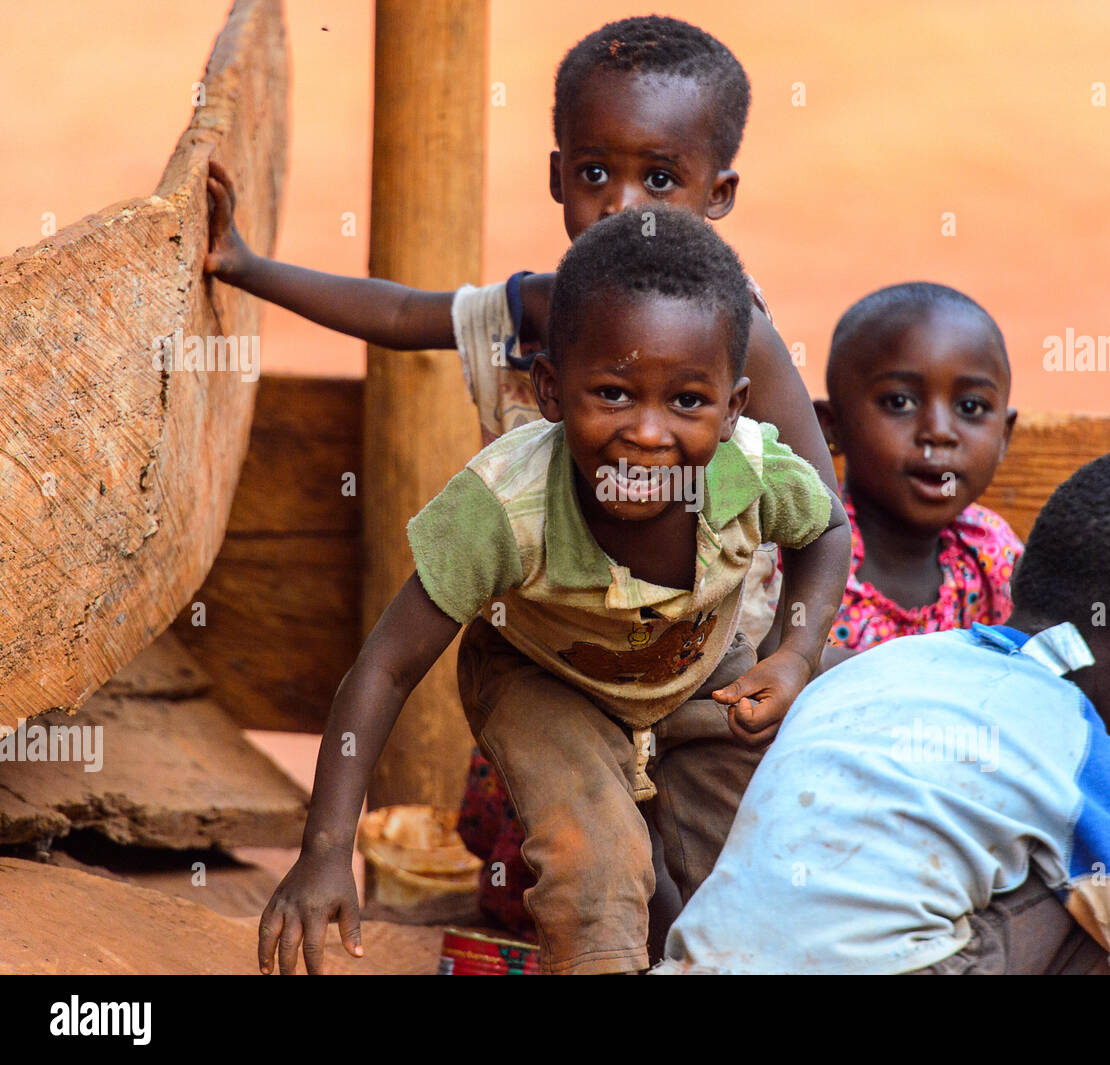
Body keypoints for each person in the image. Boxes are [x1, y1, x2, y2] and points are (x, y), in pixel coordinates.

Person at [203, 15, 830, 936]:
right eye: (594, 174)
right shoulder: (532, 320)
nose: (622, 205)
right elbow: (404, 312)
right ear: (557, 177)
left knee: (724, 867)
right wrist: (249, 269)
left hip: (705, 640)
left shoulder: (737, 335)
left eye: (659, 179)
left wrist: (793, 652)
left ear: (718, 189)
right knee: (587, 868)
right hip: (551, 642)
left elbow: (818, 511)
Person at [256, 207, 850, 975]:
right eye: (612, 392)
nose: (647, 431)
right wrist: (325, 852)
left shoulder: (749, 468)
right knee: (591, 862)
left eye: (687, 402)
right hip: (543, 677)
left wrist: (797, 651)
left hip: (702, 662)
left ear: (735, 406)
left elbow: (825, 530)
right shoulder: (503, 508)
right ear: (549, 389)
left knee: (751, 851)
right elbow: (384, 668)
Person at [661, 450, 1110, 974]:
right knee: (1092, 897)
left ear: (1017, 579)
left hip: (704, 964)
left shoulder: (882, 665)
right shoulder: (1075, 743)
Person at [805, 282, 1021, 671]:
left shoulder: (993, 558)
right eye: (899, 402)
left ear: (1004, 436)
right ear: (831, 427)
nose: (938, 431)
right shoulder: (800, 553)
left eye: (970, 407)